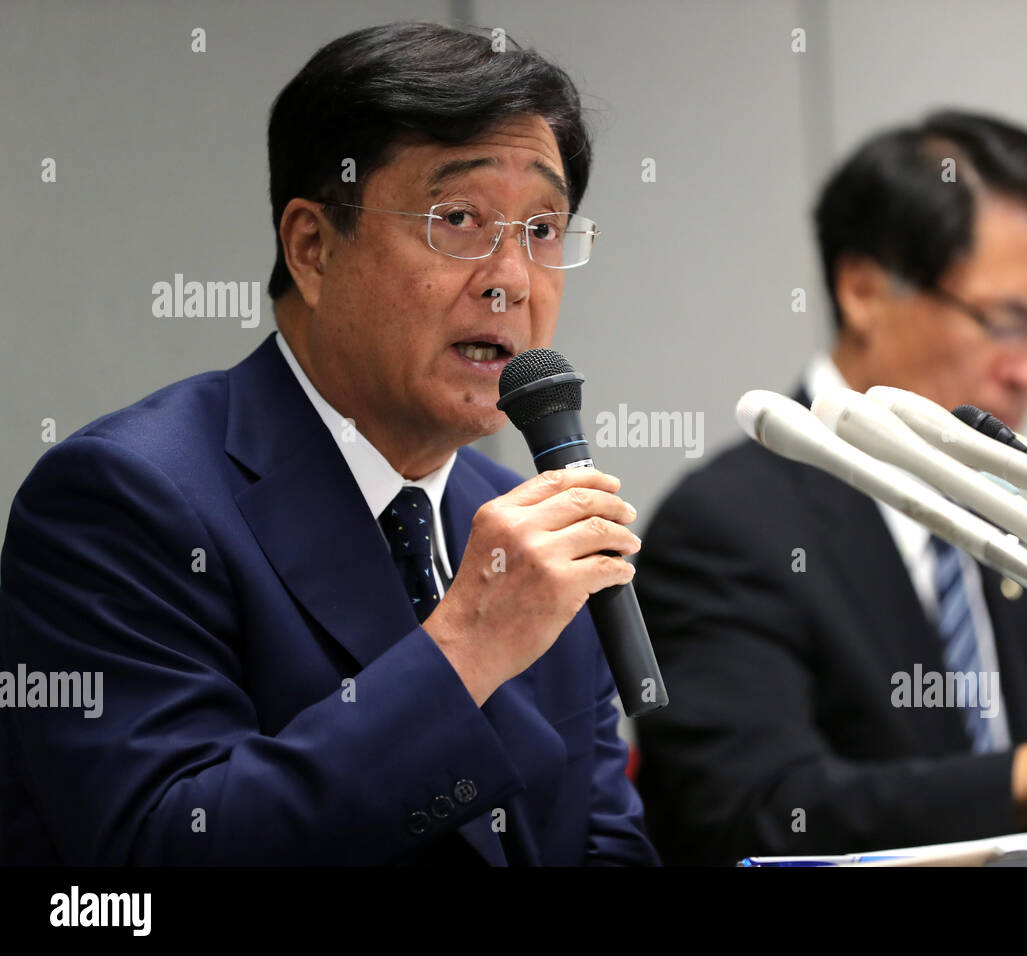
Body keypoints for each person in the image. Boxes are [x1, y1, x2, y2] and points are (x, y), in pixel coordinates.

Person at [0, 22, 658, 867]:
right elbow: (159, 852)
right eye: (458, 219)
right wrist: (466, 647)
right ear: (312, 247)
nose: (512, 279)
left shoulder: (517, 531)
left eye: (542, 230)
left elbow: (603, 843)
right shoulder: (123, 499)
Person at [632, 111, 1027, 865]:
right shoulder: (725, 522)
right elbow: (748, 813)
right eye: (1008, 320)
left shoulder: (986, 499)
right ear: (863, 289)